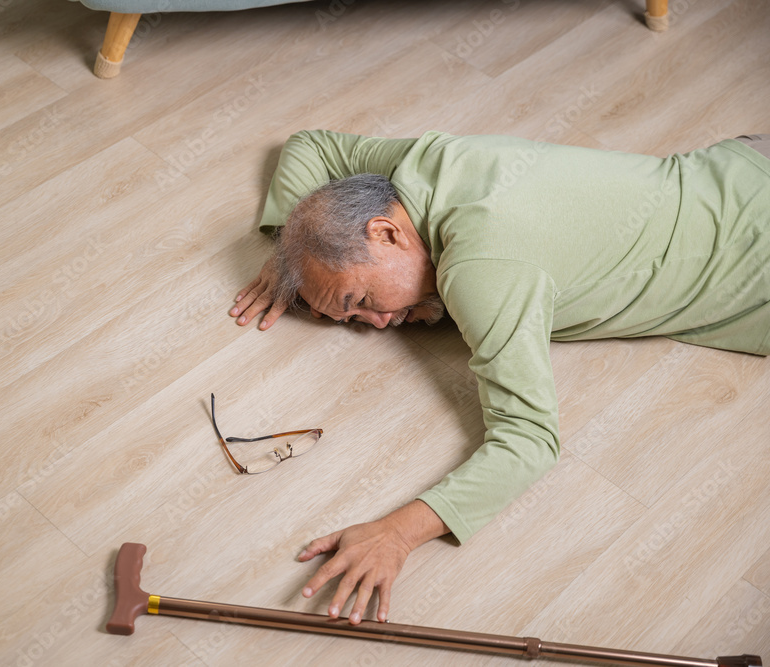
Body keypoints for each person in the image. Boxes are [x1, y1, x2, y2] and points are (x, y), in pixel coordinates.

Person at [227, 129, 770, 626]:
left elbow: (529, 440)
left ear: (385, 233)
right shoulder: (421, 167)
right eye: (351, 318)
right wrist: (292, 254)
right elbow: (313, 144)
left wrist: (397, 533)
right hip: (745, 165)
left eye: (360, 300)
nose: (375, 324)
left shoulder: (483, 267)